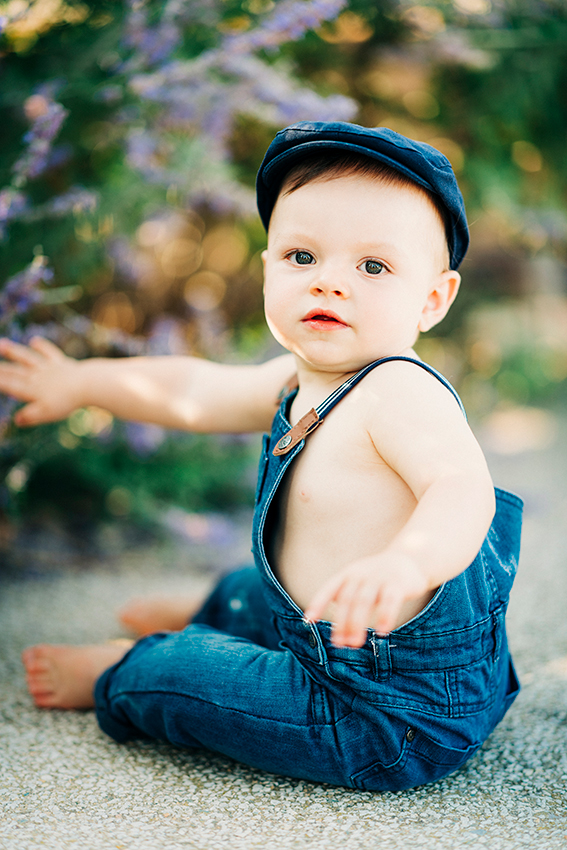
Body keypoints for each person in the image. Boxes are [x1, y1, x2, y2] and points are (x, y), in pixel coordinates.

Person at [0, 122, 523, 792]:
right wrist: (79, 382)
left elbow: (461, 490)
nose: (328, 283)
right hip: (334, 630)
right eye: (301, 257)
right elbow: (193, 390)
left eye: (372, 266)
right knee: (253, 589)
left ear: (432, 299)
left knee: (179, 674)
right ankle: (218, 607)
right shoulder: (302, 376)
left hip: (383, 716)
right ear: (269, 265)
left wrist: (406, 561)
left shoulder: (397, 391)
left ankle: (120, 672)